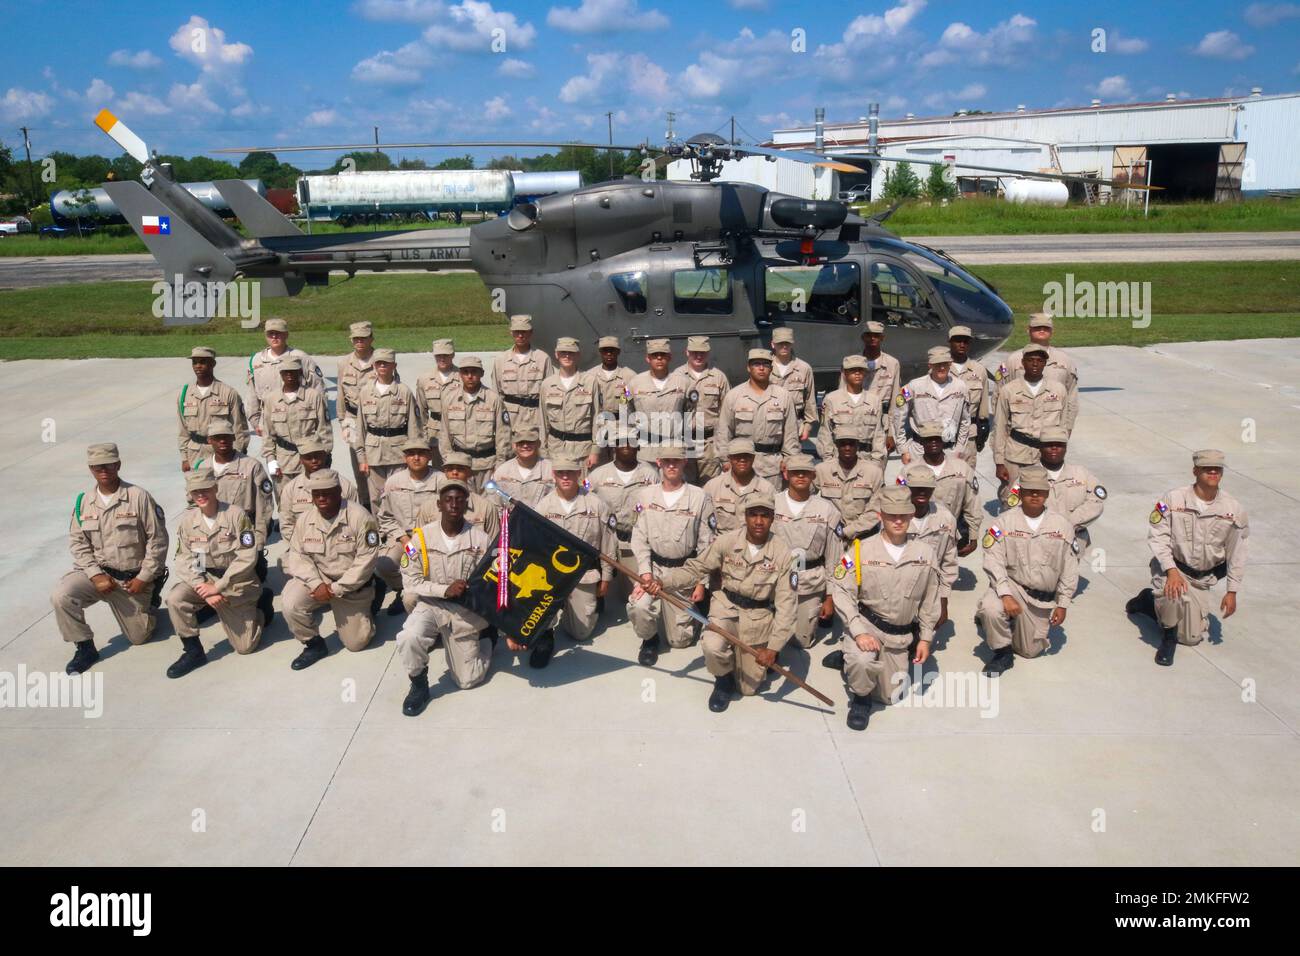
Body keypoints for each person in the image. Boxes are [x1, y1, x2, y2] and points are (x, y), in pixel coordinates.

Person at [647, 491, 797, 711]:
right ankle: (722, 681)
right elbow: (695, 568)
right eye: (753, 514)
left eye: (764, 515)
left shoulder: (783, 553)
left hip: (758, 616)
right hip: (725, 607)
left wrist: (774, 648)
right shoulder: (726, 542)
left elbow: (787, 605)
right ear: (745, 517)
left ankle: (745, 657)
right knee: (712, 645)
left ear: (772, 518)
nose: (758, 521)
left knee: (748, 689)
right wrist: (663, 582)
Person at [53, 443, 169, 675]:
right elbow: (78, 543)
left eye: (108, 464)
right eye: (97, 466)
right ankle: (84, 647)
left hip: (132, 581)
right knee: (62, 596)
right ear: (91, 469)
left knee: (139, 638)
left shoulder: (139, 497)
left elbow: (158, 541)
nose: (103, 470)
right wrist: (95, 574)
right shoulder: (83, 502)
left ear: (118, 464)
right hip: (100, 576)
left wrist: (144, 578)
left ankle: (150, 604)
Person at [831, 485, 939, 730]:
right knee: (863, 664)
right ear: (880, 515)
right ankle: (860, 698)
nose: (898, 520)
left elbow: (930, 601)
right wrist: (858, 631)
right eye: (891, 515)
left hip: (899, 635)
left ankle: (847, 658)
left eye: (903, 514)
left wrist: (925, 639)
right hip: (868, 626)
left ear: (912, 515)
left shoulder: (926, 554)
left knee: (890, 697)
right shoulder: (858, 550)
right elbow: (841, 591)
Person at [1126, 449, 1248, 667]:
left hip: (1200, 579)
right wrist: (1171, 571)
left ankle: (1148, 603)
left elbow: (1237, 552)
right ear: (1195, 471)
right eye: (1206, 469)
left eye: (1217, 469)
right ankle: (1168, 639)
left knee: (1191, 638)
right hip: (1173, 568)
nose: (1213, 472)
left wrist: (1232, 591)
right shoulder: (1173, 499)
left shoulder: (1233, 509)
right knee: (1171, 593)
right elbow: (1157, 535)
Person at [395, 480, 495, 716]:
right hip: (432, 604)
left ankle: (487, 640)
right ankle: (419, 684)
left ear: (466, 505)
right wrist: (443, 590)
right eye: (448, 500)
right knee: (408, 636)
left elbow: (491, 579)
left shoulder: (480, 539)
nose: (454, 504)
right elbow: (410, 581)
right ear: (439, 505)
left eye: (459, 500)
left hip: (464, 610)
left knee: (467, 681)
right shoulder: (419, 538)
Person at [164, 466, 271, 677]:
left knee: (245, 647)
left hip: (235, 581)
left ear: (215, 488)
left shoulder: (235, 515)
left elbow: (247, 556)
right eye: (196, 492)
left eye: (205, 489)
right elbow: (185, 559)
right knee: (175, 598)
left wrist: (217, 588)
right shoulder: (188, 521)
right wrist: (201, 586)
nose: (201, 495)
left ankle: (261, 609)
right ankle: (193, 651)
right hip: (205, 579)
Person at [976, 465, 1078, 676]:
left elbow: (1070, 568)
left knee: (1030, 652)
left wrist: (1064, 602)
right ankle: (1002, 652)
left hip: (1040, 598)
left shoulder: (1062, 526)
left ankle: (1011, 623)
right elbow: (992, 559)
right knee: (991, 608)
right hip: (1013, 586)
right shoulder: (1003, 523)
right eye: (1029, 490)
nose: (1034, 495)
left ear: (1047, 492)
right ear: (1020, 492)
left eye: (1039, 490)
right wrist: (1004, 594)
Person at [281, 469, 380, 670]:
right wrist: (317, 584)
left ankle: (372, 598)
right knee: (291, 603)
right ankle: (313, 644)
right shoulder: (305, 519)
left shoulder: (360, 517)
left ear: (339, 491)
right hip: (320, 580)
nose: (322, 498)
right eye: (317, 494)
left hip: (350, 585)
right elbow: (298, 556)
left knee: (356, 644)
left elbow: (365, 561)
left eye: (327, 492)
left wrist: (335, 589)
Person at [628, 446, 716, 666]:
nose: (671, 465)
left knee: (679, 641)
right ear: (658, 462)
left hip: (683, 572)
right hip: (654, 568)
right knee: (638, 606)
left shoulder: (700, 497)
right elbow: (639, 537)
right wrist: (645, 573)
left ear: (684, 461)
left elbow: (707, 544)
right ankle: (649, 639)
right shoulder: (646, 495)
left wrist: (700, 583)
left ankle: (691, 617)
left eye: (676, 461)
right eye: (667, 461)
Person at [523, 460, 616, 667]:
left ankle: (578, 606)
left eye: (571, 473)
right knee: (535, 606)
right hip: (551, 575)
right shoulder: (544, 506)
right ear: (554, 475)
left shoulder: (596, 504)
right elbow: (536, 546)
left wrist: (606, 578)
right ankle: (546, 636)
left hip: (584, 573)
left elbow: (608, 544)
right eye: (561, 473)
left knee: (581, 634)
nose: (566, 477)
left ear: (579, 474)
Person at [772, 455, 843, 651]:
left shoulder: (827, 510)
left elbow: (834, 559)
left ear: (813, 475)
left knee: (801, 641)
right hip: (775, 580)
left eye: (805, 472)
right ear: (786, 474)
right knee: (769, 634)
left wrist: (830, 598)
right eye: (795, 472)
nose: (800, 476)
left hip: (810, 581)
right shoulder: (772, 504)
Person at [586, 429, 659, 608]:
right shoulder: (597, 475)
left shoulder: (650, 475)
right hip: (604, 541)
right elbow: (583, 501)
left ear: (638, 445)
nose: (626, 445)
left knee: (632, 596)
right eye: (621, 441)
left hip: (634, 541)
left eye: (631, 441)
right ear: (613, 446)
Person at [991, 344, 1070, 508]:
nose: (1035, 364)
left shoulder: (1058, 390)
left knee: (1043, 497)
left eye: (1040, 360)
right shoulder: (1009, 391)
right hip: (1016, 454)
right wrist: (999, 462)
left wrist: (1059, 456)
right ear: (1023, 362)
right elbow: (1000, 427)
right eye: (1030, 360)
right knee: (1011, 498)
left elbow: (1062, 427)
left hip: (1046, 455)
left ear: (1045, 363)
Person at [375, 438, 441, 617]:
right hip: (404, 538)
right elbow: (385, 517)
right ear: (405, 458)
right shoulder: (393, 482)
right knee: (383, 564)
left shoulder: (441, 480)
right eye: (411, 454)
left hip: (434, 538)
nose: (416, 457)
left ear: (429, 455)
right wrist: (404, 539)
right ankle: (401, 590)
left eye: (421, 453)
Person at [715, 348, 800, 483]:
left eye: (765, 364)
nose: (761, 368)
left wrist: (789, 460)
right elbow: (724, 431)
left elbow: (791, 434)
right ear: (748, 367)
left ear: (771, 368)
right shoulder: (734, 396)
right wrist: (725, 460)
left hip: (772, 467)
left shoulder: (783, 396)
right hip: (741, 464)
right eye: (756, 364)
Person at [353, 348, 422, 510]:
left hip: (398, 454)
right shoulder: (365, 392)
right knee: (376, 498)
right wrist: (361, 459)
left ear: (394, 366)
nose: (382, 366)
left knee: (400, 495)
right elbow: (360, 428)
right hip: (373, 454)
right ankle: (380, 533)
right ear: (374, 366)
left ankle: (399, 532)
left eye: (387, 363)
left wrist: (413, 455)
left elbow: (414, 427)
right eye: (379, 363)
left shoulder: (404, 392)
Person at [191, 417, 274, 547]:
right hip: (211, 536)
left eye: (226, 436)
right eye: (217, 437)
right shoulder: (203, 469)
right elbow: (193, 505)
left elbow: (264, 507)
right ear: (209, 440)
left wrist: (258, 541)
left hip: (242, 534)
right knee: (200, 567)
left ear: (233, 438)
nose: (222, 441)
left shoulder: (251, 466)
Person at [439, 354, 512, 491]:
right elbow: (444, 436)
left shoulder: (493, 400)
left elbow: (503, 436)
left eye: (474, 372)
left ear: (482, 373)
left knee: (490, 505)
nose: (470, 376)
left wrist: (500, 466)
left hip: (487, 466)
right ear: (460, 374)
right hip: (460, 466)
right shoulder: (450, 400)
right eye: (466, 372)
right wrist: (451, 463)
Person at [262, 357, 332, 495]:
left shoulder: (313, 396)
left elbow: (324, 430)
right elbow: (268, 433)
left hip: (311, 460)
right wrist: (270, 459)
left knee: (312, 500)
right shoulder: (272, 399)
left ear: (300, 372)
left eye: (293, 371)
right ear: (280, 373)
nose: (289, 374)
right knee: (285, 502)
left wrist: (325, 458)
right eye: (285, 371)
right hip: (283, 462)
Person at [899, 465, 958, 628]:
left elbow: (949, 563)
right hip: (897, 587)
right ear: (907, 488)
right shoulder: (894, 517)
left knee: (922, 643)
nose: (921, 492)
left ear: (933, 490)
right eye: (916, 488)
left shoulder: (946, 518)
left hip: (930, 588)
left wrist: (943, 602)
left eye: (926, 488)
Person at [911, 421, 981, 556]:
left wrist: (973, 536)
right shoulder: (909, 471)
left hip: (951, 536)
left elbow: (972, 504)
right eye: (928, 439)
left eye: (936, 439)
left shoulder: (962, 468)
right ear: (921, 442)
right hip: (919, 537)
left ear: (943, 440)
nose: (933, 442)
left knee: (948, 574)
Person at [998, 313, 1079, 431]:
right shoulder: (1013, 360)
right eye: (1037, 327)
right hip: (1020, 434)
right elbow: (999, 396)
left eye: (1046, 328)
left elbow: (1072, 397)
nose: (1042, 330)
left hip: (1052, 435)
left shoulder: (1064, 361)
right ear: (1028, 330)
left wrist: (1068, 428)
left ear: (1052, 331)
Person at [894, 346, 971, 467]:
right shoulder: (914, 386)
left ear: (950, 363)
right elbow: (898, 418)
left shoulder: (960, 387)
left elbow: (965, 421)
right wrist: (903, 449)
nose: (941, 367)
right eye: (937, 364)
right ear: (930, 365)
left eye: (945, 364)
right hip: (920, 450)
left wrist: (960, 448)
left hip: (949, 450)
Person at [245, 318, 323, 437]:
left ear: (286, 335)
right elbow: (252, 394)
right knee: (271, 454)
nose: (274, 337)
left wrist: (318, 421)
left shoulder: (300, 357)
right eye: (271, 334)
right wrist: (256, 422)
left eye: (278, 333)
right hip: (269, 421)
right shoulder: (256, 360)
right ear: (266, 336)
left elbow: (318, 390)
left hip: (299, 421)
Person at [1033, 426, 1105, 550]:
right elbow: (1015, 508)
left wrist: (1070, 522)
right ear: (1040, 447)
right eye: (1049, 444)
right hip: (1039, 544)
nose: (1054, 448)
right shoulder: (1028, 476)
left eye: (1059, 444)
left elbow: (1096, 502)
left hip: (1074, 542)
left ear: (1066, 448)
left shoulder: (1081, 474)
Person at [177, 346, 248, 470]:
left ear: (213, 364)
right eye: (195, 362)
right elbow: (183, 430)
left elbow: (239, 428)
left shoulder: (228, 393)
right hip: (195, 455)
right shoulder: (185, 394)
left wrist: (236, 456)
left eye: (203, 362)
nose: (198, 366)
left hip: (222, 454)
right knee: (199, 489)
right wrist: (184, 458)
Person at [277, 438, 360, 544]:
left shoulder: (344, 486)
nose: (314, 461)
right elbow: (287, 526)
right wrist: (302, 550)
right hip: (304, 549)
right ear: (301, 460)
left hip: (340, 548)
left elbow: (355, 521)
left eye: (317, 456)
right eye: (308, 457)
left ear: (325, 456)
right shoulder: (290, 490)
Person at [673, 335, 730, 483]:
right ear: (687, 352)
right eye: (694, 352)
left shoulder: (719, 377)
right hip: (685, 442)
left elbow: (727, 414)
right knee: (685, 487)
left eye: (702, 353)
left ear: (708, 353)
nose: (698, 356)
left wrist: (724, 449)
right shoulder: (676, 376)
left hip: (710, 444)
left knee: (710, 487)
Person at [539, 338, 602, 468]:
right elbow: (542, 421)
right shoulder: (547, 385)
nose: (567, 356)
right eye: (563, 352)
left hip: (583, 453)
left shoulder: (590, 382)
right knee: (559, 486)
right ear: (556, 354)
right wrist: (543, 450)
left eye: (571, 352)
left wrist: (595, 451)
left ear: (578, 355)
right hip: (556, 451)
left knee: (586, 486)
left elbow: (598, 418)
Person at [817, 355, 888, 462]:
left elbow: (879, 435)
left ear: (866, 372)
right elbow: (825, 434)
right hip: (838, 459)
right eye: (852, 370)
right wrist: (829, 461)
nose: (857, 373)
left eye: (861, 370)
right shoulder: (832, 399)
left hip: (867, 459)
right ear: (844, 372)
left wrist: (877, 463)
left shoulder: (874, 401)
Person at [814, 426, 884, 531]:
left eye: (851, 444)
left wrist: (851, 531)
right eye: (843, 444)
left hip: (863, 534)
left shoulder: (874, 472)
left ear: (858, 445)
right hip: (829, 531)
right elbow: (806, 500)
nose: (847, 448)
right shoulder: (821, 470)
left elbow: (877, 509)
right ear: (836, 445)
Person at [492, 314, 552, 436]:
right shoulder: (501, 361)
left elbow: (550, 393)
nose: (520, 335)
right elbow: (496, 394)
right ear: (511, 332)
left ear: (531, 333)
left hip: (536, 418)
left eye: (524, 331)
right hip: (509, 418)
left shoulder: (543, 358)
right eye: (517, 332)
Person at [701, 438, 776, 535]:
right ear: (729, 458)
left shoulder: (767, 489)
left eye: (747, 456)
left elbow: (774, 526)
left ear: (753, 458)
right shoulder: (712, 487)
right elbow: (703, 525)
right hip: (722, 546)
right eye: (737, 456)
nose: (742, 459)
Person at [420, 453, 502, 540]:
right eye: (450, 469)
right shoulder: (428, 506)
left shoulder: (485, 507)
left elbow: (494, 544)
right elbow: (417, 540)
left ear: (470, 473)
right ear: (445, 472)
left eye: (460, 469)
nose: (455, 473)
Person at [627, 338, 688, 451]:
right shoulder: (634, 383)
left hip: (673, 449)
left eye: (663, 355)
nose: (659, 358)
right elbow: (625, 410)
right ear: (647, 358)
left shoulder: (683, 382)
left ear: (669, 357)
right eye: (655, 355)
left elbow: (690, 411)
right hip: (645, 448)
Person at [948, 325, 995, 465]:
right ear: (949, 341)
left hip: (969, 433)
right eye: (958, 340)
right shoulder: (941, 368)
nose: (962, 344)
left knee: (966, 476)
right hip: (944, 433)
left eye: (966, 341)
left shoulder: (979, 370)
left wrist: (984, 426)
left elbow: (984, 403)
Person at [588, 335, 635, 457]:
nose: (609, 354)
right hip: (598, 426)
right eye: (605, 350)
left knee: (620, 463)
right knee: (598, 467)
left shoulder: (628, 376)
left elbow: (633, 403)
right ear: (600, 352)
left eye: (612, 350)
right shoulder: (590, 376)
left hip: (621, 427)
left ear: (618, 352)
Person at [414, 338, 459, 466]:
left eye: (446, 355)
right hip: (435, 433)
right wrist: (424, 438)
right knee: (438, 472)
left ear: (453, 355)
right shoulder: (425, 379)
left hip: (458, 429)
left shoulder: (462, 377)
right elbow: (421, 412)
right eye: (439, 356)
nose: (442, 359)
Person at [859, 320, 902, 451]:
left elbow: (897, 400)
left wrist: (892, 434)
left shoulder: (892, 364)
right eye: (869, 335)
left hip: (882, 423)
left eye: (876, 335)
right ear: (863, 337)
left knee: (878, 467)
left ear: (882, 338)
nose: (872, 338)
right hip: (858, 420)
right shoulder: (853, 363)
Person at [769, 328, 817, 445]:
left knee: (792, 461)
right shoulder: (764, 367)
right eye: (780, 343)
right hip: (769, 425)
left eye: (787, 343)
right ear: (772, 344)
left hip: (795, 426)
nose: (784, 346)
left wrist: (808, 426)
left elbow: (810, 399)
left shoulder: (804, 368)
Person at [490, 427, 555, 507]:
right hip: (511, 518)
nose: (525, 445)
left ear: (538, 444)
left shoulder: (551, 471)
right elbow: (495, 505)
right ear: (514, 445)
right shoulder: (502, 472)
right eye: (521, 442)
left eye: (530, 442)